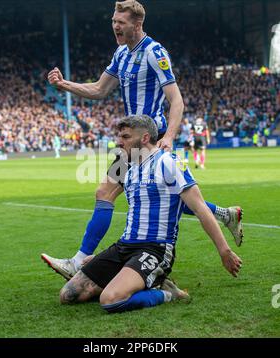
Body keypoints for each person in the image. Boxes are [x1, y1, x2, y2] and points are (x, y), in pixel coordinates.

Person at [42, 0, 243, 280]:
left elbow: (177, 100)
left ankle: (77, 262)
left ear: (137, 24)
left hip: (147, 138)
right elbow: (100, 89)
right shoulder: (121, 54)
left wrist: (169, 137)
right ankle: (225, 214)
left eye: (120, 22)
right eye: (113, 21)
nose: (115, 26)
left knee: (105, 193)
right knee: (166, 194)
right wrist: (64, 85)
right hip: (132, 140)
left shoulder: (154, 52)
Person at [57, 115, 242, 314]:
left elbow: (200, 208)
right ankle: (131, 277)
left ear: (144, 138)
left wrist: (224, 251)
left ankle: (167, 293)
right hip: (124, 246)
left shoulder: (169, 162)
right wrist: (101, 258)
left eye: (126, 137)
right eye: (119, 136)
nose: (119, 142)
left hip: (155, 249)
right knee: (68, 295)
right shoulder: (129, 167)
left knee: (110, 300)